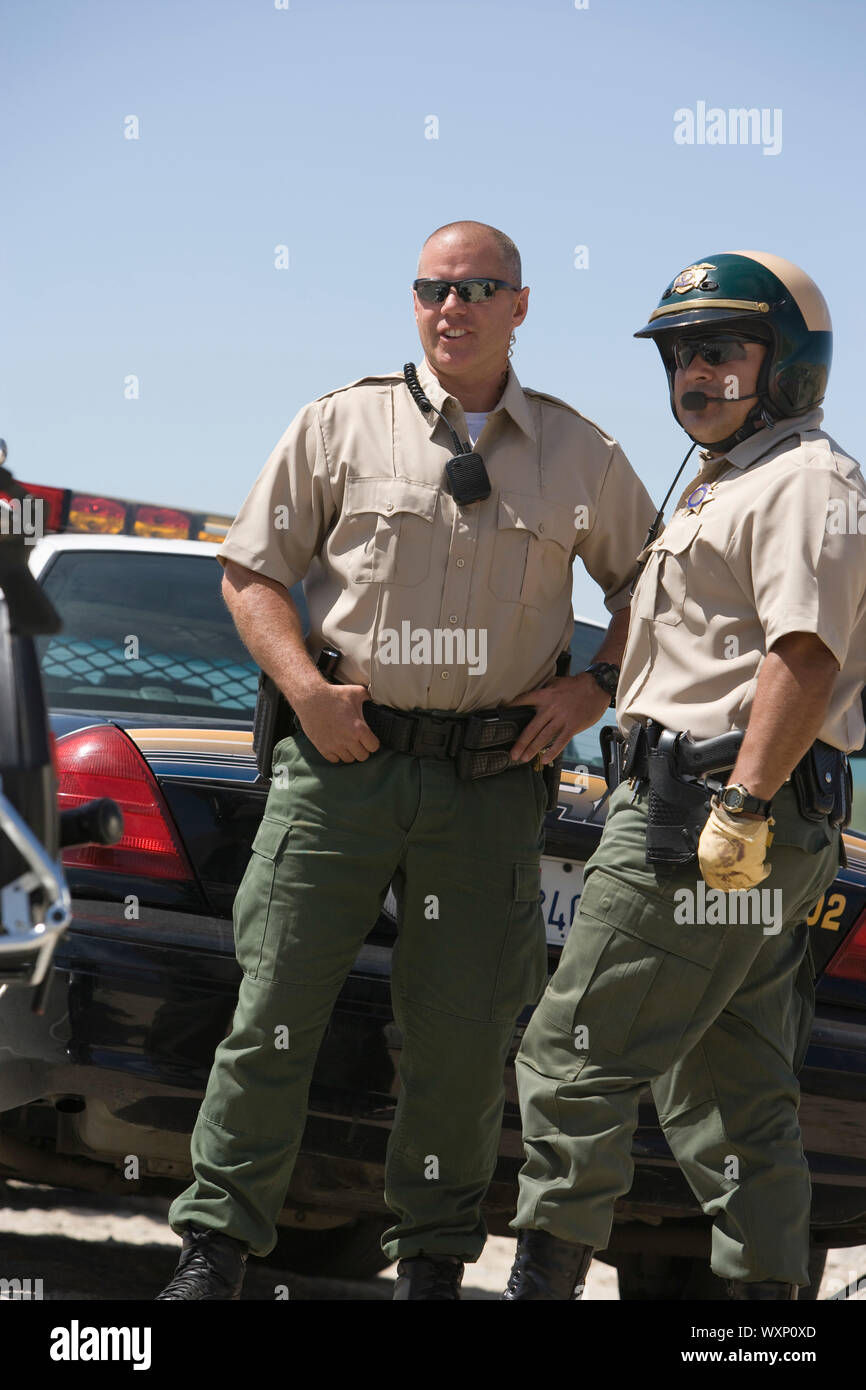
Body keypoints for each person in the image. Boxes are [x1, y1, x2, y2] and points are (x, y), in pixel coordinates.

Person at [155, 220, 656, 1300]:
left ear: (519, 306)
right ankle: (213, 1254)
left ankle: (429, 1266)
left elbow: (650, 590)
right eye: (432, 288)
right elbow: (250, 572)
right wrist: (304, 691)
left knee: (463, 1038)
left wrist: (591, 685)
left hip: (484, 783)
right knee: (273, 1011)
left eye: (478, 288)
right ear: (413, 301)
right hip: (342, 764)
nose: (451, 307)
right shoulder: (340, 424)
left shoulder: (580, 454)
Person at [503, 250, 866, 1302]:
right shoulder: (732, 479)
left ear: (787, 365)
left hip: (705, 819)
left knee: (573, 1054)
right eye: (678, 355)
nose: (691, 375)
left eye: (719, 351)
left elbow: (804, 656)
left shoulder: (802, 478)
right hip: (727, 819)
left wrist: (741, 806)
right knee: (732, 1094)